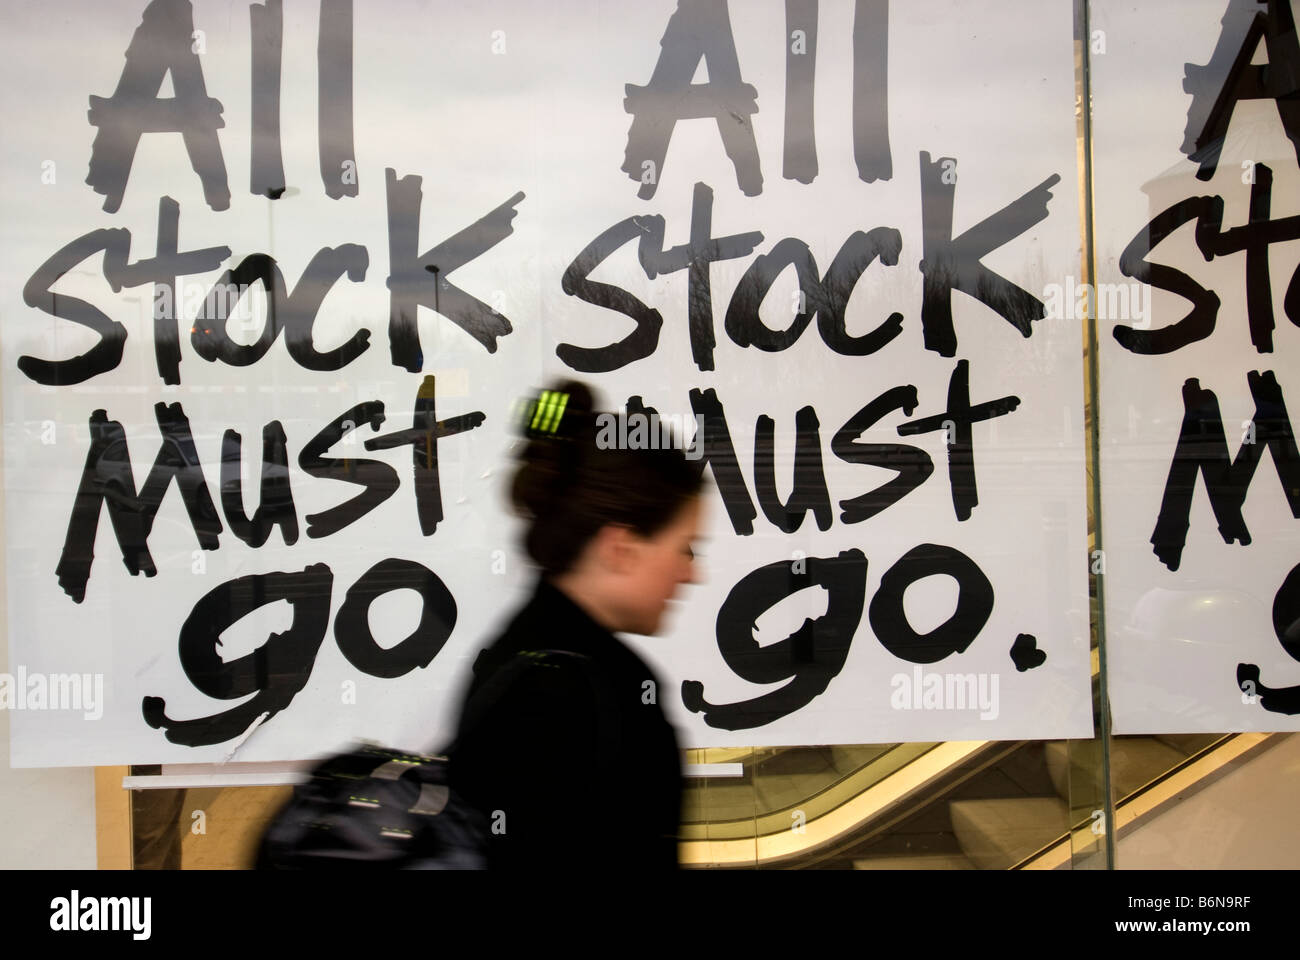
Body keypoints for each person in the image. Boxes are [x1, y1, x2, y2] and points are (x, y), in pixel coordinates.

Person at [445, 379, 706, 871]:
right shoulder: (595, 692)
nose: (692, 572)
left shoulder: (520, 653)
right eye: (684, 548)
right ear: (620, 548)